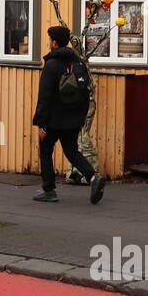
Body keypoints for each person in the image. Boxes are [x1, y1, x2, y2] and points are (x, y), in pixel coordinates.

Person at [32, 25, 105, 205]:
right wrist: (80, 120)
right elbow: (86, 93)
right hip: (73, 120)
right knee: (71, 151)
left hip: (53, 121)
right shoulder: (78, 64)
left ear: (55, 43)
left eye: (50, 40)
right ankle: (93, 177)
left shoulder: (52, 65)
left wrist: (41, 123)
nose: (49, 43)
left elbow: (45, 96)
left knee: (46, 151)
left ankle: (48, 190)